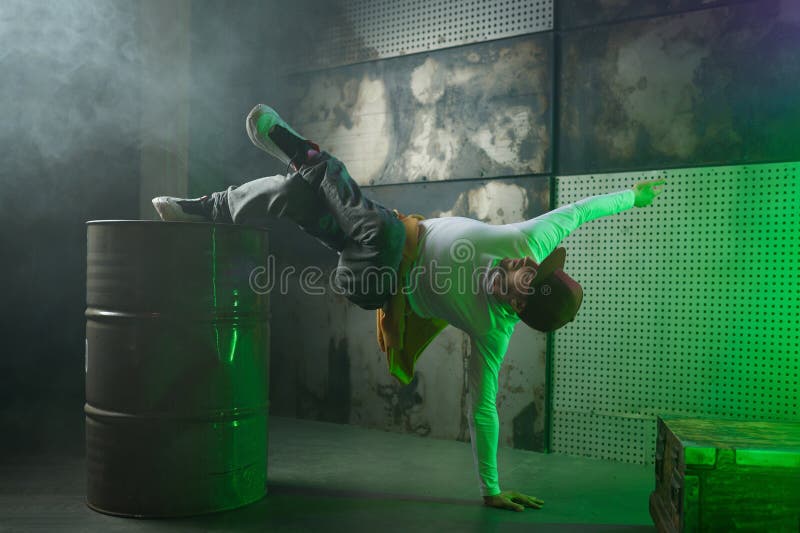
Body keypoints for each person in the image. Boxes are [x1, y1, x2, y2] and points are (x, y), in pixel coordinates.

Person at [153, 104, 666, 512]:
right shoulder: (531, 238)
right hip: (372, 231)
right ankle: (205, 209)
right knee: (293, 194)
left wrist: (490, 489)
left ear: (518, 303)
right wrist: (635, 197)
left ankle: (306, 155)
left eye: (527, 280)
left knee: (382, 231)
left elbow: (483, 408)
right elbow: (582, 210)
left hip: (373, 281)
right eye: (532, 265)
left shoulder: (491, 330)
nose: (521, 267)